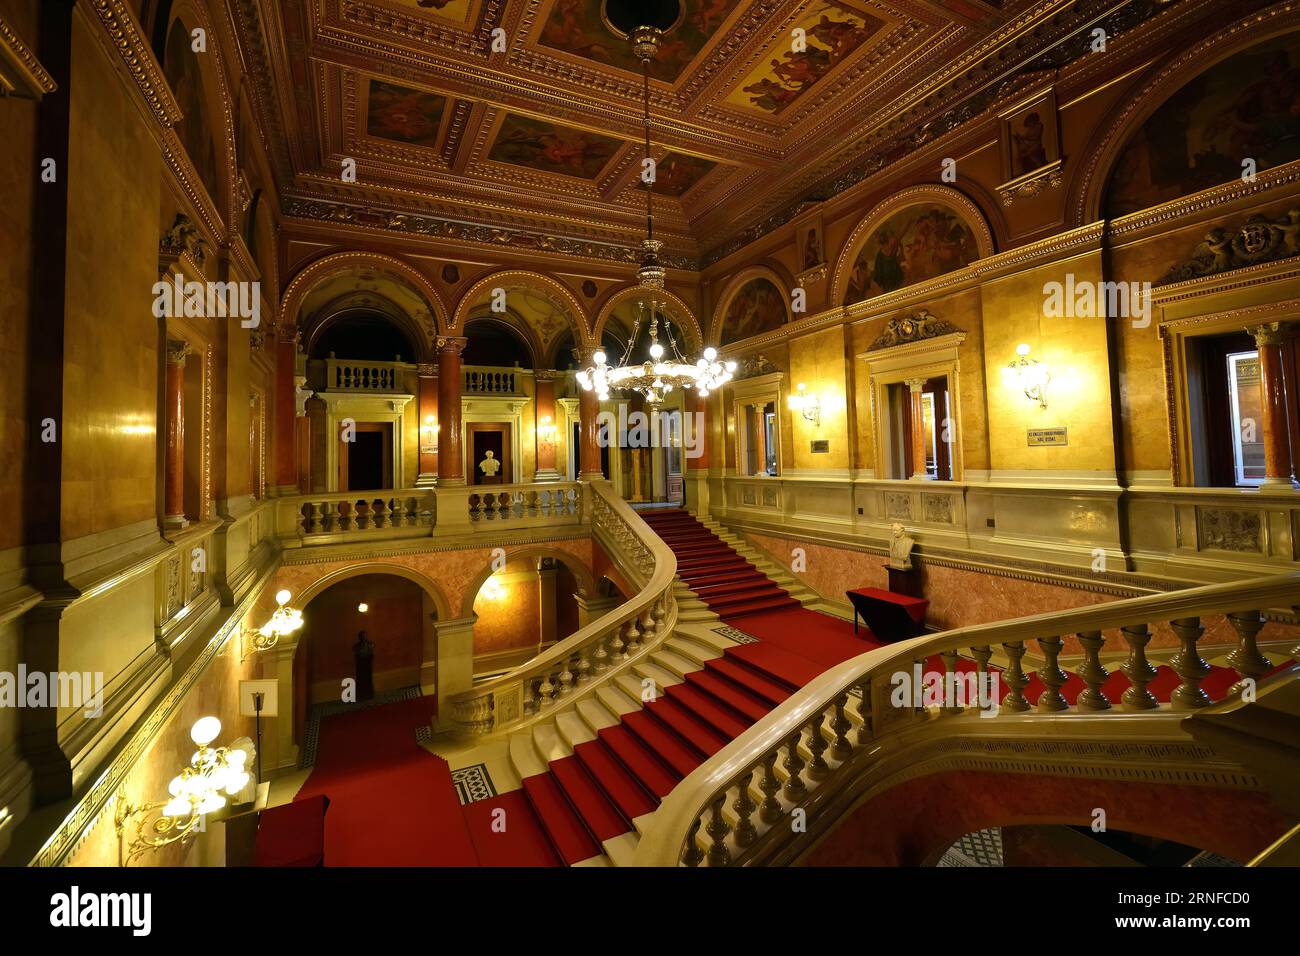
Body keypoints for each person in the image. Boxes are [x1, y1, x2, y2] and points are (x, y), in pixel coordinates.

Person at [353, 630, 375, 702]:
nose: (364, 638)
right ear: (360, 638)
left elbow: (371, 654)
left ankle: (369, 694)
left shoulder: (370, 645)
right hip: (360, 666)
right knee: (361, 680)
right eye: (362, 636)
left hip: (367, 665)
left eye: (365, 636)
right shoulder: (356, 647)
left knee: (368, 679)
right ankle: (361, 695)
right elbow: (357, 653)